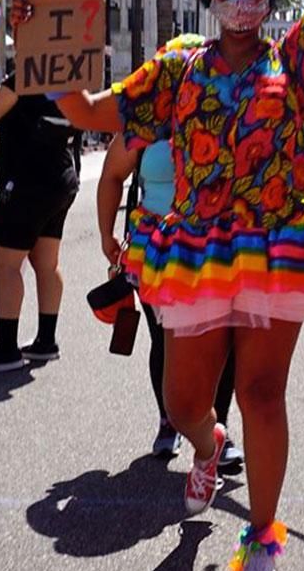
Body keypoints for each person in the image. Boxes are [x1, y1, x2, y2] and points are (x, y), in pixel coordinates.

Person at [48, 0, 304, 571]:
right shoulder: (178, 65)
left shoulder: (296, 61)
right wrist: (45, 50)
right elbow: (89, 110)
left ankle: (261, 538)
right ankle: (207, 444)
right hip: (192, 248)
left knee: (262, 391)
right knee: (186, 400)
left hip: (276, 246)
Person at [97, 131, 242, 468]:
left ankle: (217, 428)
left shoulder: (227, 101)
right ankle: (170, 421)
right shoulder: (147, 117)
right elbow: (112, 174)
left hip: (220, 244)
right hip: (155, 250)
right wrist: (107, 234)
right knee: (164, 339)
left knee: (224, 341)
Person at [0, 59, 81, 374]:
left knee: (4, 262)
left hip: (27, 182)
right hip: (61, 177)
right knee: (46, 263)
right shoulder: (66, 75)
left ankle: (7, 350)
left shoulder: (27, 75)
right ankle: (46, 341)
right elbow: (23, 122)